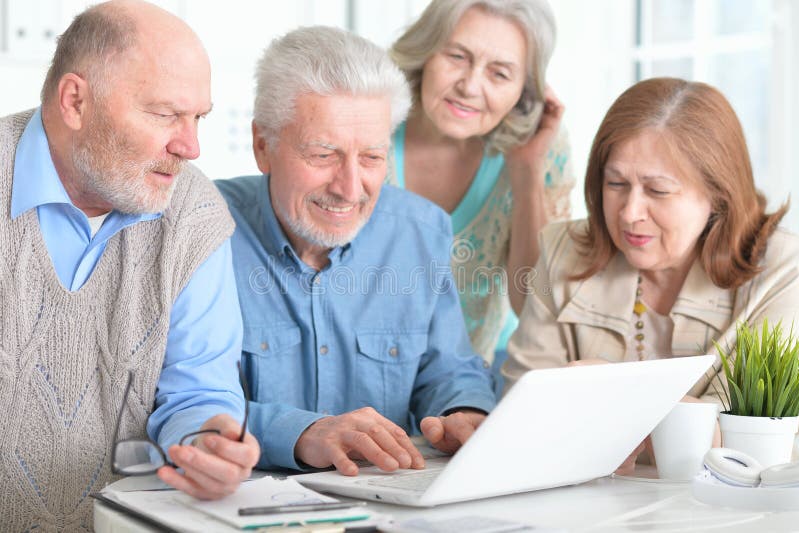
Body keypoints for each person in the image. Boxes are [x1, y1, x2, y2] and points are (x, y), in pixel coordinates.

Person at [0, 1, 259, 529]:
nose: (190, 146)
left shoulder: (194, 215)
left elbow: (198, 391)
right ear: (75, 101)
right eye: (164, 114)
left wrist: (209, 442)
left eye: (198, 117)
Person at [216, 26, 496, 475]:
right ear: (262, 146)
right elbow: (180, 400)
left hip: (387, 497)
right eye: (323, 155)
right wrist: (302, 433)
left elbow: (449, 370)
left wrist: (465, 412)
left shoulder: (421, 232)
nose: (350, 189)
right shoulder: (204, 233)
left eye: (371, 157)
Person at [502, 77, 799, 470]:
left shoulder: (782, 268)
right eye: (616, 183)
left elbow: (739, 446)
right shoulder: (563, 250)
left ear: (718, 196)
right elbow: (520, 415)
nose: (629, 213)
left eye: (658, 190)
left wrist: (613, 391)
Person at [389, 0, 575, 368]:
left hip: (469, 380)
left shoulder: (543, 148)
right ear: (426, 50)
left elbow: (534, 309)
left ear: (525, 91)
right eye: (457, 56)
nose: (470, 86)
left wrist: (526, 172)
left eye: (500, 74)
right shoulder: (369, 121)